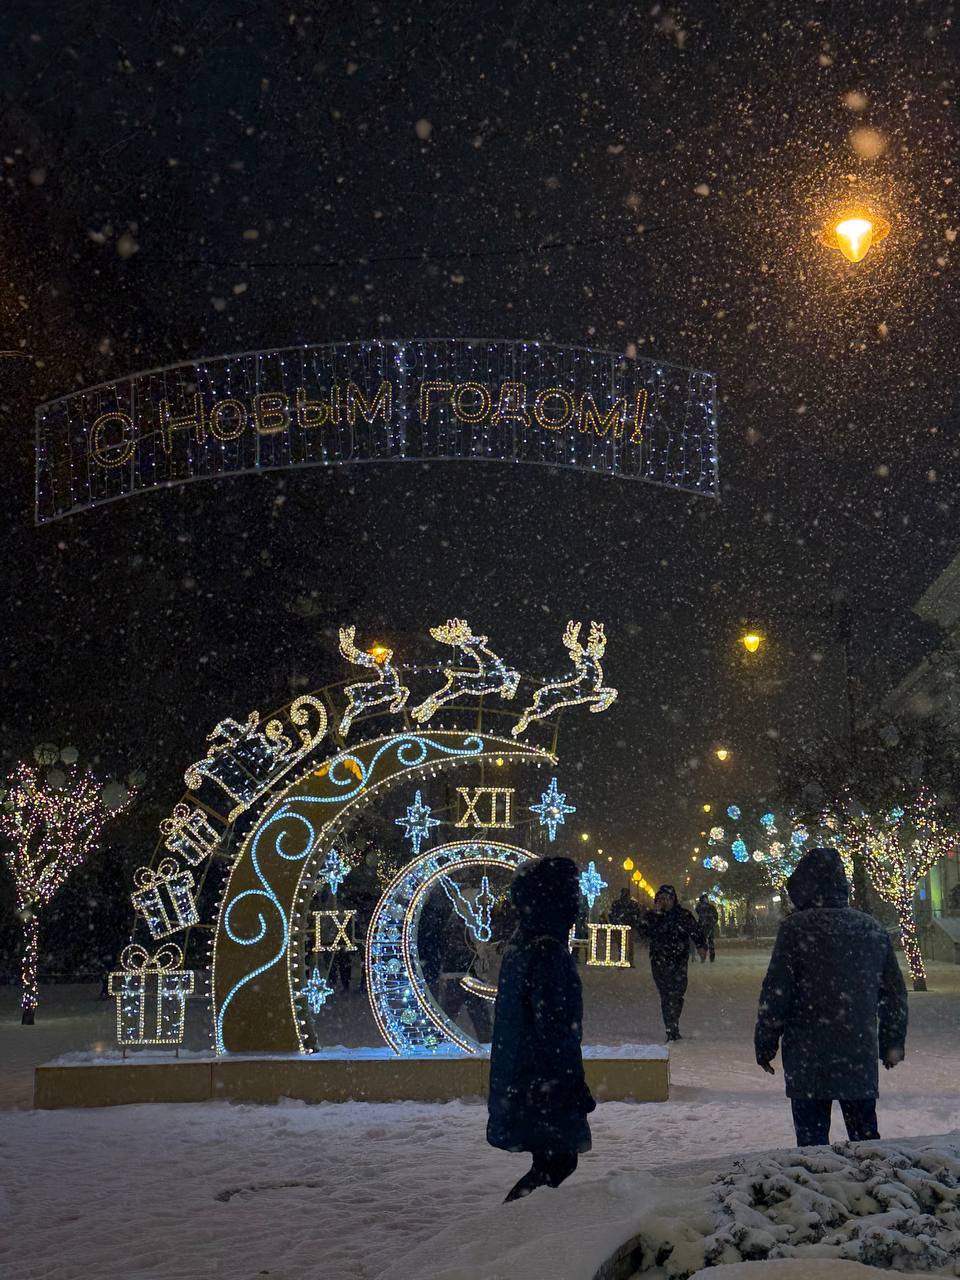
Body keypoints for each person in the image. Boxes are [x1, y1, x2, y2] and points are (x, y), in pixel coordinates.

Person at [755, 846, 908, 1148]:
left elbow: (776, 992)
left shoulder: (795, 930)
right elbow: (893, 993)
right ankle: (869, 1190)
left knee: (812, 1145)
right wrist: (892, 1041)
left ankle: (818, 1191)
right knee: (866, 1142)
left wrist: (766, 1040)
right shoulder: (872, 929)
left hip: (807, 1054)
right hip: (856, 1052)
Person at [487, 856, 595, 1203]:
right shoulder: (548, 952)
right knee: (557, 1162)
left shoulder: (523, 946)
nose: (577, 903)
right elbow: (555, 1030)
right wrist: (571, 1083)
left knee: (553, 1161)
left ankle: (516, 1227)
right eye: (573, 894)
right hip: (544, 1080)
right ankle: (510, 1229)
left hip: (525, 1075)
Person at [638, 885, 707, 1041]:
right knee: (666, 994)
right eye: (662, 898)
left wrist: (701, 946)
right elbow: (643, 931)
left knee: (677, 994)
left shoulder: (682, 915)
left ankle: (673, 1022)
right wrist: (655, 914)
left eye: (668, 898)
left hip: (679, 960)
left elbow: (695, 930)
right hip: (659, 960)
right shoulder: (652, 916)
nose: (665, 902)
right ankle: (671, 1027)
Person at [696, 893, 719, 963]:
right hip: (704, 926)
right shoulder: (700, 908)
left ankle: (710, 956)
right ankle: (705, 956)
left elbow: (715, 916)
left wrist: (713, 922)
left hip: (708, 926)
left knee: (708, 942)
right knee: (705, 942)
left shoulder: (709, 907)